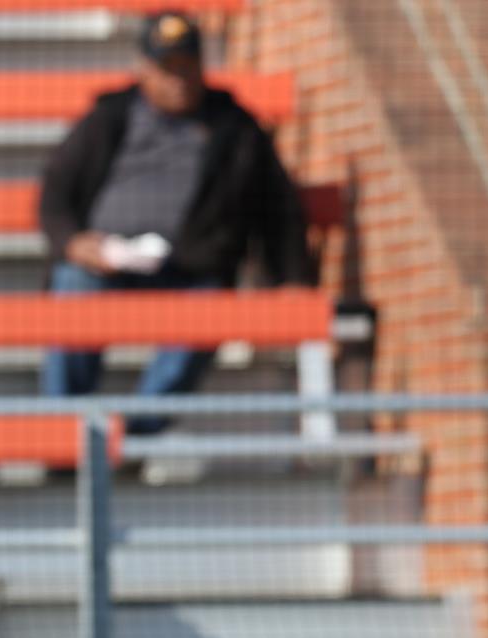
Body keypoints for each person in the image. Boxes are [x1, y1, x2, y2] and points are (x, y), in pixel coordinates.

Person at [37, 9, 314, 432]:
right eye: (167, 68)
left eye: (188, 66)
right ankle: (63, 436)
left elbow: (279, 209)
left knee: (208, 312)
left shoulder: (236, 127)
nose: (179, 79)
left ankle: (135, 439)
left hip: (190, 269)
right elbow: (55, 193)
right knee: (72, 285)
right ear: (143, 69)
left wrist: (292, 279)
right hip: (104, 263)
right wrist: (75, 243)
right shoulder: (110, 116)